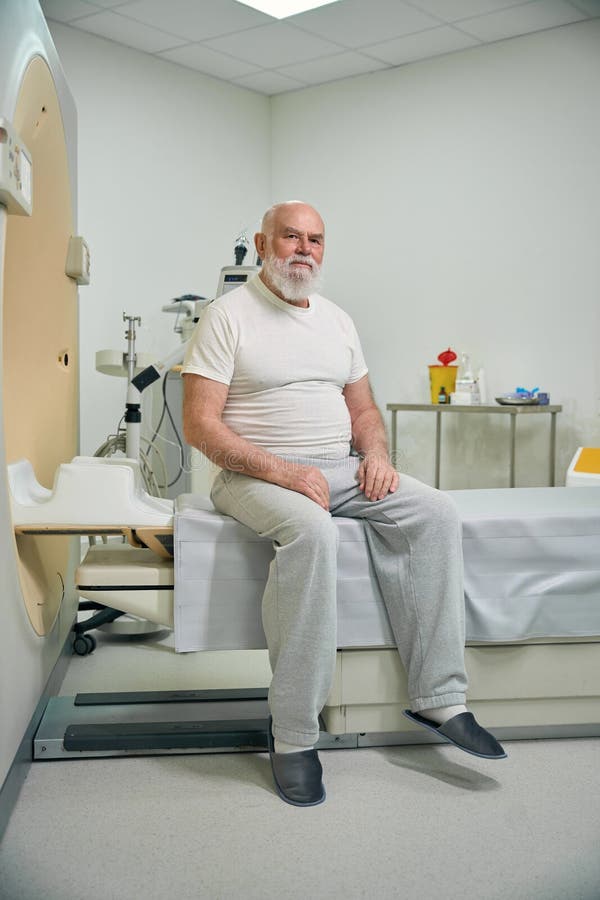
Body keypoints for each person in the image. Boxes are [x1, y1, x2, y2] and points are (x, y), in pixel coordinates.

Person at [182, 201, 506, 807]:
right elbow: (200, 426)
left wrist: (378, 455)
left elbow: (362, 411)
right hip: (252, 475)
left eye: (315, 240)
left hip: (340, 469)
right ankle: (295, 735)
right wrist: (282, 469)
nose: (304, 249)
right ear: (262, 243)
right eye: (290, 237)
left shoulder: (336, 320)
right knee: (313, 533)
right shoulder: (227, 317)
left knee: (436, 511)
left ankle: (439, 697)